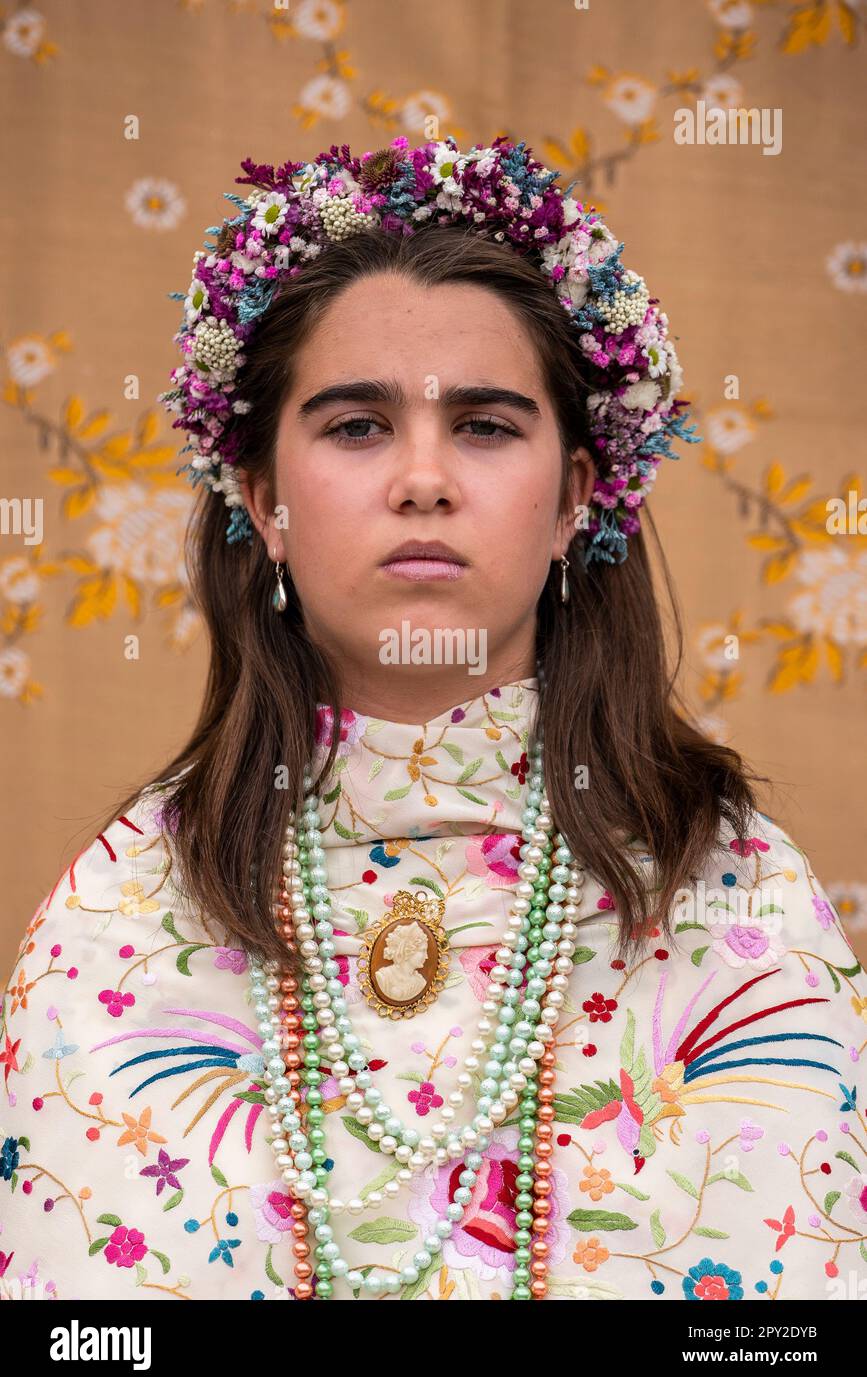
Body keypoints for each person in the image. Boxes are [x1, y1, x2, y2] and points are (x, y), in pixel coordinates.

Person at [1, 134, 864, 1304]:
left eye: (487, 425)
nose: (422, 478)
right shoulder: (122, 906)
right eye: (356, 426)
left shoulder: (734, 892)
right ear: (265, 499)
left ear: (573, 499)